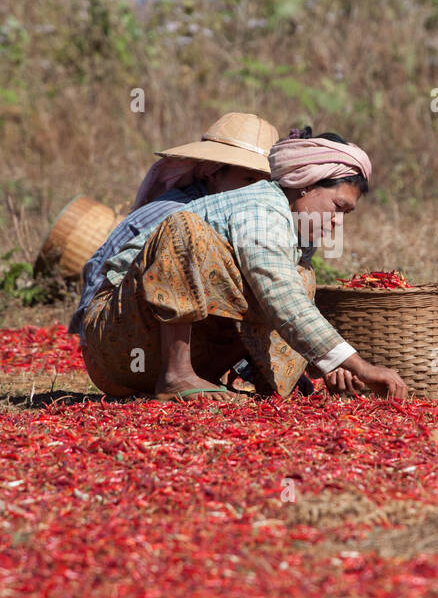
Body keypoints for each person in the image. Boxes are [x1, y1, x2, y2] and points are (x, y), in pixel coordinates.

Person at [78, 131, 408, 401]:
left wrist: (328, 365)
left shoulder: (295, 233)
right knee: (186, 231)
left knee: (300, 276)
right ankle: (176, 374)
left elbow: (285, 298)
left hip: (165, 361)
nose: (337, 222)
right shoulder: (261, 208)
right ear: (306, 183)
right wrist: (360, 366)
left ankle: (263, 381)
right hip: (115, 344)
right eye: (337, 207)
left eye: (345, 215)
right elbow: (281, 297)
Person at [68, 112, 279, 337]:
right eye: (248, 180)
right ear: (213, 173)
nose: (255, 192)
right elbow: (105, 274)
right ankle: (177, 369)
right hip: (112, 325)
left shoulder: (223, 212)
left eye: (262, 185)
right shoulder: (180, 212)